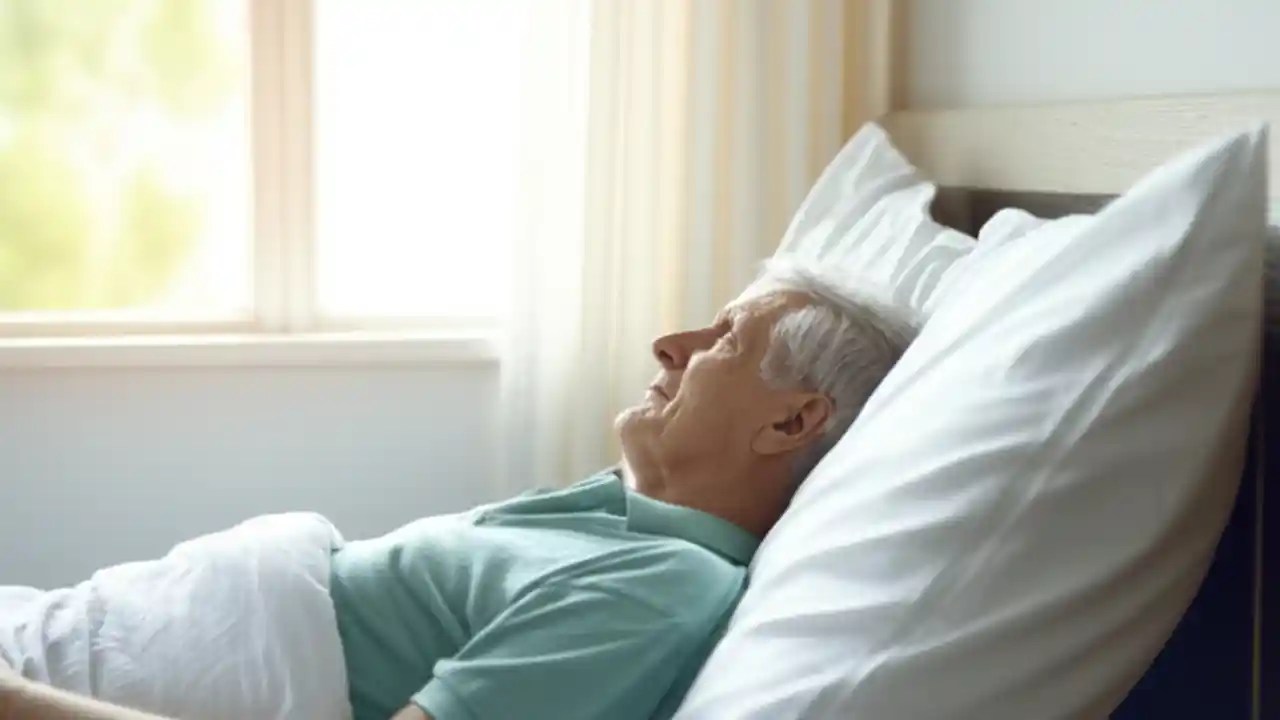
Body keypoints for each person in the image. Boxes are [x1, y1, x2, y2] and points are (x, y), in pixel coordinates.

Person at [0, 258, 917, 720]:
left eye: (722, 342)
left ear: (794, 422)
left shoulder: (664, 586)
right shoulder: (621, 519)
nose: (668, 346)